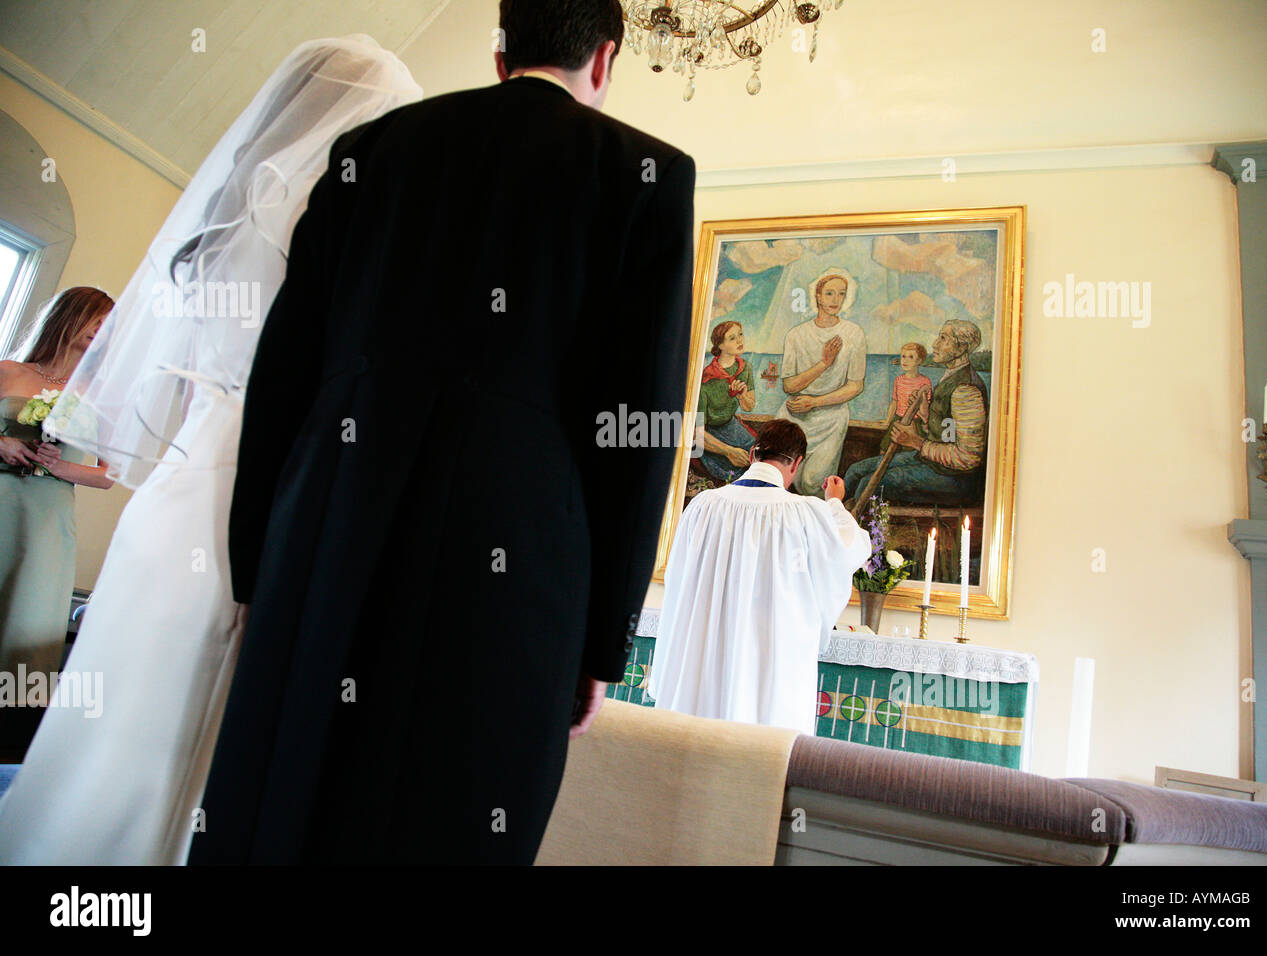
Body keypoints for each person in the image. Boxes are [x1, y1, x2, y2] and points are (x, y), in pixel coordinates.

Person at [188, 0, 695, 865]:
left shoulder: (372, 148)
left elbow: (285, 370)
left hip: (328, 521)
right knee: (455, 799)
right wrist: (604, 637)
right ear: (605, 59)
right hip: (517, 551)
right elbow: (637, 428)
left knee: (288, 791)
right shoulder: (646, 172)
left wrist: (255, 568)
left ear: (502, 53)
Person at [0, 37, 422, 864]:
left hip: (186, 483)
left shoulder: (228, 218)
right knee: (193, 695)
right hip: (260, 482)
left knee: (129, 694)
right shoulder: (327, 223)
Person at [649, 419, 872, 734]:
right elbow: (853, 547)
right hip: (768, 667)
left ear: (753, 453)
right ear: (796, 463)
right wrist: (834, 503)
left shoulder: (703, 506)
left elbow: (678, 583)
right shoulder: (804, 513)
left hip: (701, 662)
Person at [0, 287, 114, 721]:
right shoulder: (8, 371)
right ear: (69, 314)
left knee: (27, 620)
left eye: (108, 325)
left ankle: (9, 734)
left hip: (45, 522)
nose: (100, 330)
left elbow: (111, 474)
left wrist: (62, 469)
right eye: (94, 318)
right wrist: (3, 442)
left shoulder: (102, 392)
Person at [844, 319, 988, 507]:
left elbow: (968, 458)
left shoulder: (966, 391)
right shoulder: (951, 378)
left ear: (961, 348)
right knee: (855, 470)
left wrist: (916, 442)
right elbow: (945, 432)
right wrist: (926, 416)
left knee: (868, 483)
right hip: (932, 462)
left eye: (944, 338)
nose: (935, 344)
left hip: (955, 479)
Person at [774, 270, 866, 495]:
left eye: (841, 294)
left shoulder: (854, 334)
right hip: (794, 417)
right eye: (829, 293)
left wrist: (815, 402)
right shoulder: (797, 335)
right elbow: (789, 386)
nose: (835, 300)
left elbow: (856, 385)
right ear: (818, 296)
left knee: (813, 483)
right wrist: (824, 364)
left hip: (831, 418)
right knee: (782, 481)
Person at [696, 320, 757, 482]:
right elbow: (697, 435)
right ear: (720, 346)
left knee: (759, 458)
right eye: (732, 338)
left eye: (740, 334)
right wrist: (729, 451)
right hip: (710, 436)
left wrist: (742, 395)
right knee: (735, 475)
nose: (740, 340)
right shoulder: (706, 380)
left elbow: (749, 406)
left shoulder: (746, 368)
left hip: (731, 426)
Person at [878, 341, 933, 453]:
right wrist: (887, 421)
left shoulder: (925, 382)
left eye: (911, 357)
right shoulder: (899, 380)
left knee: (909, 453)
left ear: (919, 361)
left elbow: (927, 408)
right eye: (903, 356)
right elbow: (894, 402)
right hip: (898, 420)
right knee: (884, 449)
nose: (905, 360)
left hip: (915, 423)